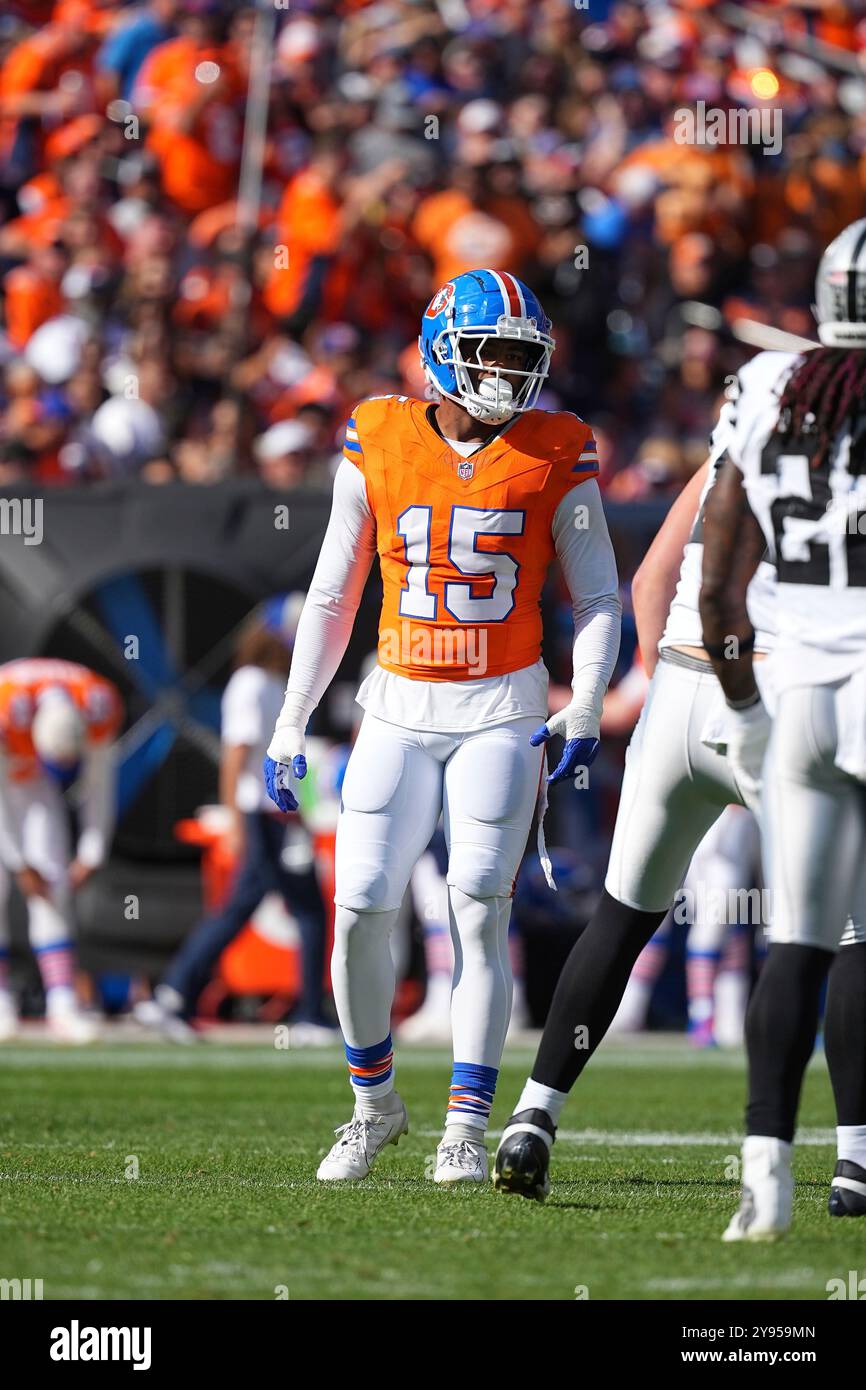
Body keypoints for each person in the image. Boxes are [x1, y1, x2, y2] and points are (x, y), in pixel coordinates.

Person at [264, 268, 621, 1184]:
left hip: (502, 704)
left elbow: (598, 596)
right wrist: (290, 722)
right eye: (490, 354)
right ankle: (373, 1107)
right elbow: (334, 591)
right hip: (395, 699)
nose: (506, 376)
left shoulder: (557, 446)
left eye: (521, 358)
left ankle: (466, 1124)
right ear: (439, 352)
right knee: (359, 912)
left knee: (476, 907)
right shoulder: (378, 433)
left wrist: (581, 704)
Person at [494, 361, 866, 1210]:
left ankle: (532, 1117)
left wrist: (663, 686)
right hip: (783, 698)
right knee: (843, 936)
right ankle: (852, 1162)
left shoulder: (741, 441)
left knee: (622, 919)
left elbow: (652, 579)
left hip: (681, 691)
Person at [700, 218, 866, 1239]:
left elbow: (716, 591)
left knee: (797, 938)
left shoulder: (766, 388)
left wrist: (746, 714)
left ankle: (764, 1174)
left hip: (795, 683)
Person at [136, 611, 330, 1043]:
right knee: (305, 911)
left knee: (254, 907)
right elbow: (236, 754)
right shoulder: (252, 684)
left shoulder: (274, 684)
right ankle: (309, 1015)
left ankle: (174, 994)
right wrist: (233, 817)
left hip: (278, 813)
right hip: (264, 813)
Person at [0, 656, 121, 1042]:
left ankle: (62, 1004)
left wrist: (92, 852)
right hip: (7, 773)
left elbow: (101, 781)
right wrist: (18, 864)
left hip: (33, 782)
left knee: (54, 882)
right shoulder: (6, 708)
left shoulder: (98, 703)